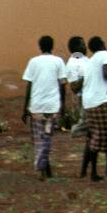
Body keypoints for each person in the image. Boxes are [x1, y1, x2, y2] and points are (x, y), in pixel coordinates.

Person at [21, 36, 67, 179]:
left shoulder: (33, 62)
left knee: (39, 138)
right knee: (47, 137)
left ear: (39, 46)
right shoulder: (58, 61)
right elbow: (63, 85)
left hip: (37, 107)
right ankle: (46, 169)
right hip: (52, 107)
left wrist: (25, 108)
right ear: (52, 46)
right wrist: (63, 106)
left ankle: (43, 169)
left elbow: (29, 86)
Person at [71, 36, 107, 181]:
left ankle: (93, 172)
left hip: (88, 103)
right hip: (99, 101)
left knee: (93, 138)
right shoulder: (105, 55)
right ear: (103, 44)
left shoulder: (89, 62)